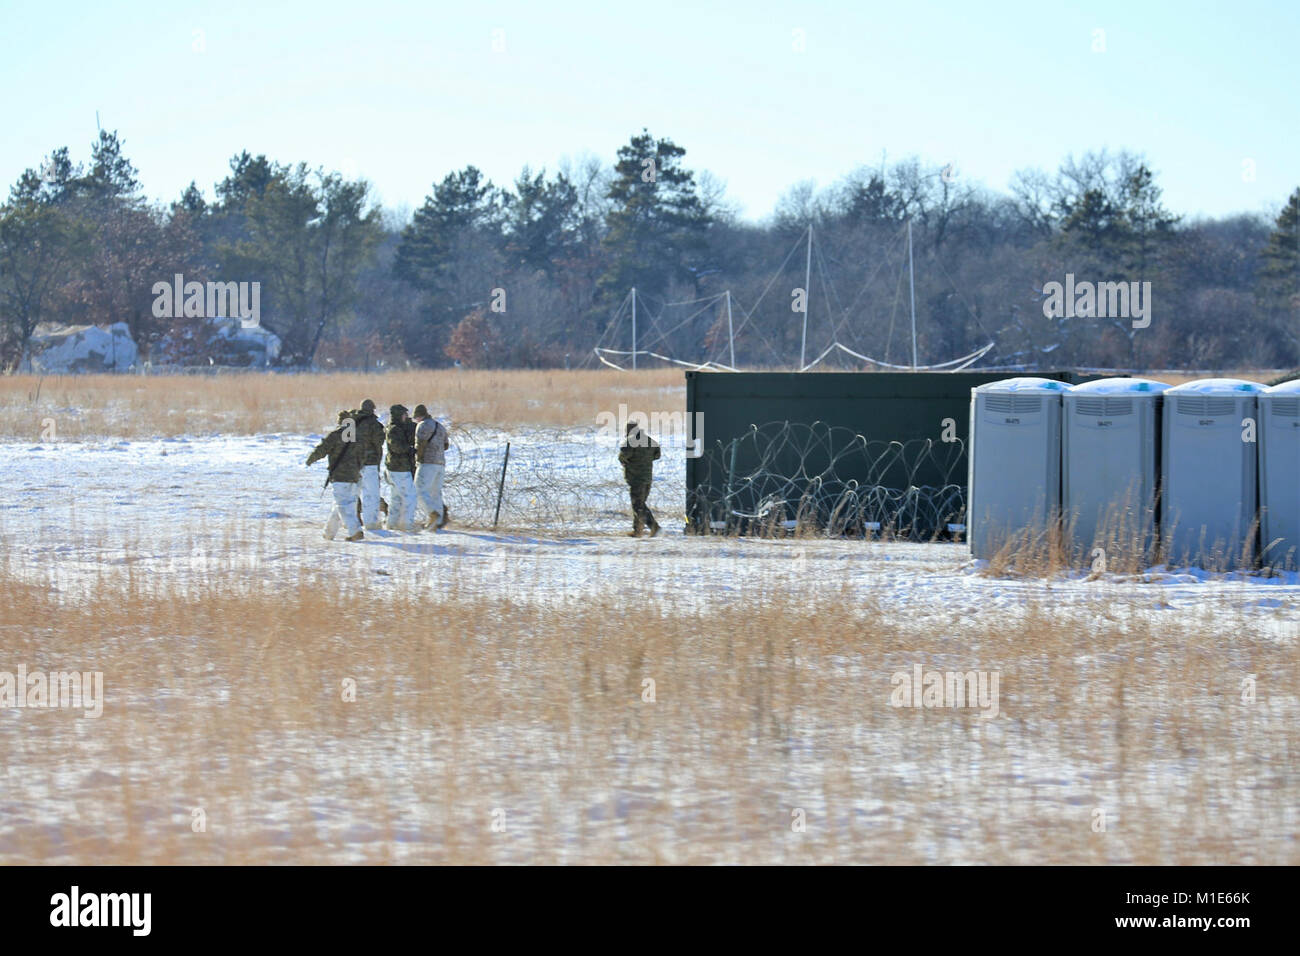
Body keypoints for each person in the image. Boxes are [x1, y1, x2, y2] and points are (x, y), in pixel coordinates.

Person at [305, 409, 365, 541]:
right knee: (340, 505)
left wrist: (310, 460)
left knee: (342, 504)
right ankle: (329, 533)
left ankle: (355, 531)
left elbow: (322, 449)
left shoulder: (336, 435)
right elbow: (363, 456)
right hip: (354, 476)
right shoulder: (357, 438)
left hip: (340, 476)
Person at [618, 420, 661, 537]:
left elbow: (622, 457)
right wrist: (646, 460)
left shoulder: (630, 441)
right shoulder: (648, 440)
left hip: (636, 478)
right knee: (640, 504)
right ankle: (637, 531)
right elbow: (657, 454)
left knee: (638, 505)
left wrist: (630, 463)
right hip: (647, 478)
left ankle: (654, 527)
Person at [412, 404, 450, 530]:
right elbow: (446, 445)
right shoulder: (440, 426)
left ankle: (431, 513)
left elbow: (420, 445)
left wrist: (418, 458)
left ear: (418, 416)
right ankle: (438, 522)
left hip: (427, 462)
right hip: (441, 463)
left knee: (419, 490)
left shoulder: (422, 425)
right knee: (436, 492)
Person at [384, 404, 418, 531]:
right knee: (410, 496)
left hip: (395, 468)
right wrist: (411, 450)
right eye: (404, 414)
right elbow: (396, 447)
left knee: (396, 498)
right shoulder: (394, 430)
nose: (406, 416)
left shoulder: (396, 427)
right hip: (399, 468)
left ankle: (392, 524)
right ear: (399, 415)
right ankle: (406, 525)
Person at [354, 398, 386, 530]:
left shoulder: (350, 423)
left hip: (353, 463)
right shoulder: (375, 424)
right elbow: (379, 443)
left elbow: (344, 442)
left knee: (351, 494)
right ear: (372, 409)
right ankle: (371, 524)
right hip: (370, 463)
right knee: (371, 495)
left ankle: (350, 523)